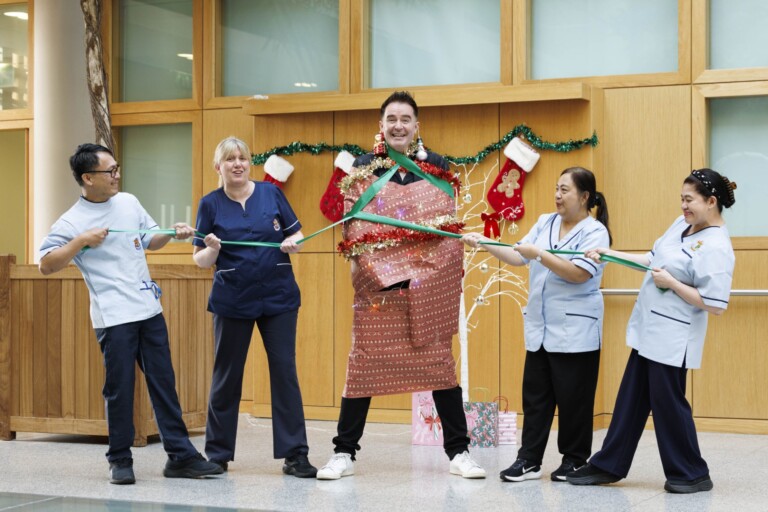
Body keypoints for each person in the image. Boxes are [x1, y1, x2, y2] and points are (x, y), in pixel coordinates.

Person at [316, 91, 486, 481]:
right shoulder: (363, 169)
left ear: (416, 126)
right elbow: (356, 231)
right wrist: (391, 273)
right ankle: (344, 452)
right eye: (391, 118)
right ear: (381, 125)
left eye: (405, 119)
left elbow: (445, 231)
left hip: (426, 289)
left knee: (440, 368)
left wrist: (423, 276)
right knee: (362, 368)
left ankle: (459, 452)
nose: (398, 125)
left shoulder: (438, 168)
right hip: (381, 292)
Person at [39, 143, 223, 485]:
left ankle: (181, 456)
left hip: (149, 310)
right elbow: (46, 265)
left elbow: (149, 240)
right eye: (110, 171)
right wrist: (80, 241)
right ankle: (120, 460)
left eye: (117, 168)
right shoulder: (71, 221)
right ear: (87, 178)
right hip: (113, 317)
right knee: (120, 389)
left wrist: (171, 233)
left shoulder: (128, 202)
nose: (117, 175)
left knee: (164, 383)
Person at [566, 168, 737, 494]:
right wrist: (609, 255)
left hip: (674, 338)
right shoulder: (683, 225)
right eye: (682, 199)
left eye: (690, 200)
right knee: (631, 398)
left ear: (711, 201)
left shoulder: (717, 246)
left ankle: (692, 473)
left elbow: (715, 303)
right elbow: (652, 259)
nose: (683, 206)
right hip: (650, 329)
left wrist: (672, 283)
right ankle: (608, 464)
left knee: (668, 403)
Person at [463, 167, 612, 483]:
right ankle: (529, 460)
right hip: (541, 329)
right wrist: (485, 242)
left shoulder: (595, 232)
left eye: (565, 190)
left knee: (574, 401)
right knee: (535, 400)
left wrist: (541, 255)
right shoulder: (546, 221)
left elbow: (579, 274)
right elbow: (519, 256)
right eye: (556, 189)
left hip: (576, 332)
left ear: (585, 197)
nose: (558, 196)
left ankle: (573, 460)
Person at [192, 136, 317, 478]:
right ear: (219, 167)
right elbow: (201, 260)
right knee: (226, 376)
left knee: (284, 373)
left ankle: (295, 455)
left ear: (250, 163)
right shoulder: (210, 204)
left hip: (278, 297)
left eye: (243, 158)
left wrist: (293, 244)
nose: (237, 164)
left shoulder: (271, 194)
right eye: (230, 159)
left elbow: (297, 236)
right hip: (233, 299)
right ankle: (217, 455)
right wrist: (214, 249)